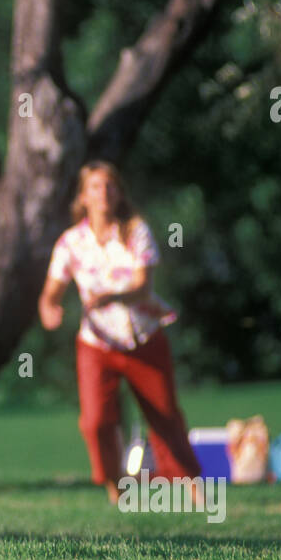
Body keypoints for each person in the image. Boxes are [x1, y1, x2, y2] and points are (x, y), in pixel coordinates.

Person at [38, 161, 201, 503]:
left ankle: (191, 485)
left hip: (144, 338)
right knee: (96, 421)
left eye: (110, 186)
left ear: (119, 193)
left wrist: (111, 296)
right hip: (97, 345)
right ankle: (114, 485)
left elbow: (143, 287)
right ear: (83, 197)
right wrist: (50, 307)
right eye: (96, 187)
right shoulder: (71, 243)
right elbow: (51, 291)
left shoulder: (135, 230)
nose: (104, 194)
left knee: (165, 416)